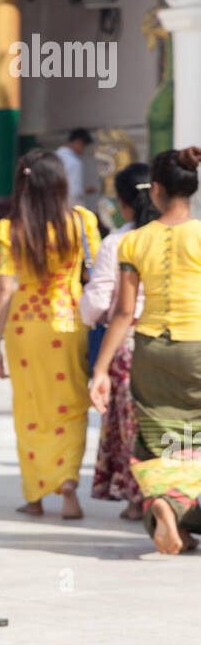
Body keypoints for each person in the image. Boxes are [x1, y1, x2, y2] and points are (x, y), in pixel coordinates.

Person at [89, 146, 201, 555]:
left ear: (155, 191)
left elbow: (122, 313)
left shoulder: (134, 241)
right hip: (198, 349)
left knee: (156, 442)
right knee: (196, 439)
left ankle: (167, 510)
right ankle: (177, 510)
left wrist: (100, 371)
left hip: (151, 350)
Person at [0, 148, 101, 519]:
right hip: (69, 323)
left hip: (24, 328)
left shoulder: (9, 229)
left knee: (30, 410)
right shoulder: (82, 221)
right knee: (71, 406)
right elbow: (97, 272)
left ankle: (36, 494)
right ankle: (68, 479)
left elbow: (4, 290)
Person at [80, 163, 159, 520]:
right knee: (169, 423)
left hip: (128, 342)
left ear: (124, 203)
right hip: (177, 337)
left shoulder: (118, 242)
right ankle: (173, 495)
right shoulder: (180, 236)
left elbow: (105, 305)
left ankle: (135, 498)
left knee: (131, 424)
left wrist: (98, 366)